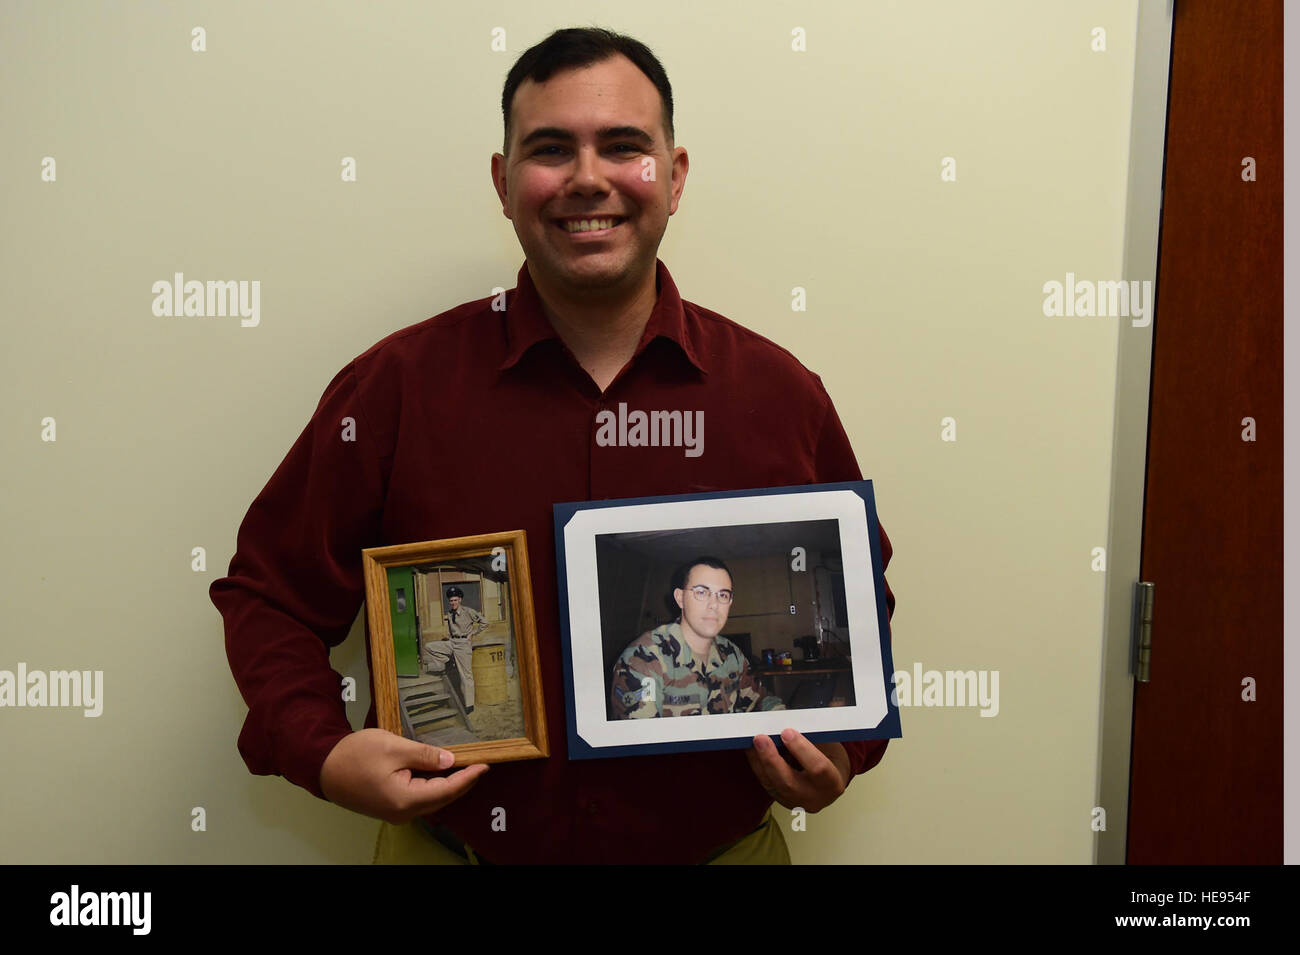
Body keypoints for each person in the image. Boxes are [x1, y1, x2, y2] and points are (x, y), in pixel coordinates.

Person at [210, 26, 897, 865]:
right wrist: (320, 748)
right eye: (549, 149)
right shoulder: (395, 388)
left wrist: (843, 750)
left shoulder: (778, 396)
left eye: (623, 147)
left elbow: (862, 600)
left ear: (673, 177)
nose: (587, 178)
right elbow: (271, 595)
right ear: (504, 183)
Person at [611, 557, 785, 718]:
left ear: (730, 602)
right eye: (702, 592)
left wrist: (783, 717)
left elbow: (759, 698)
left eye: (723, 595)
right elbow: (643, 744)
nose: (714, 605)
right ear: (680, 598)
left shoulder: (732, 653)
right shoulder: (642, 659)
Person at [423, 587, 488, 713]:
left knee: (466, 676)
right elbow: (452, 628)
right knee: (429, 647)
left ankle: (469, 706)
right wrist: (449, 638)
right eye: (451, 600)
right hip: (452, 642)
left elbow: (484, 622)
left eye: (455, 600)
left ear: (460, 600)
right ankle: (447, 660)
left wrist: (473, 633)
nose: (453, 603)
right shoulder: (449, 613)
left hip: (463, 645)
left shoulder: (468, 611)